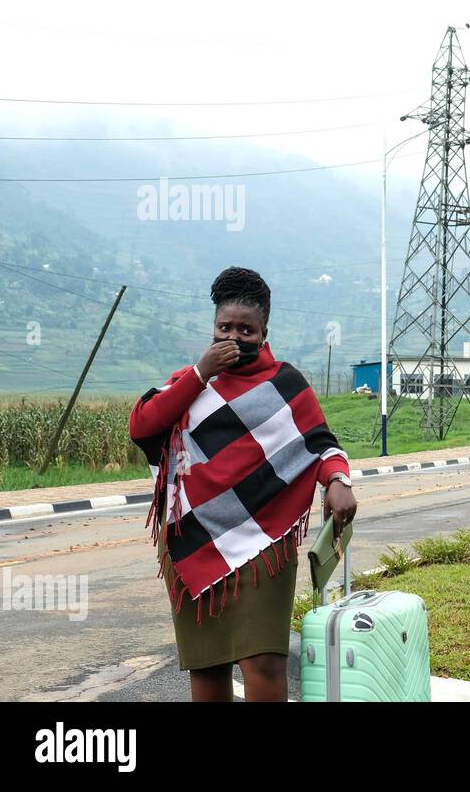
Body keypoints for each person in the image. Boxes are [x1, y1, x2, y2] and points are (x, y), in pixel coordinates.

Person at [129, 267, 357, 702]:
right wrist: (200, 373)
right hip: (193, 538)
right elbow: (143, 424)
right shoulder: (191, 381)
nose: (234, 336)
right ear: (212, 328)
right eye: (224, 327)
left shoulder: (285, 384)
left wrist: (338, 481)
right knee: (207, 664)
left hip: (263, 539)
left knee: (265, 661)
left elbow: (321, 444)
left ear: (264, 331)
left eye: (246, 329)